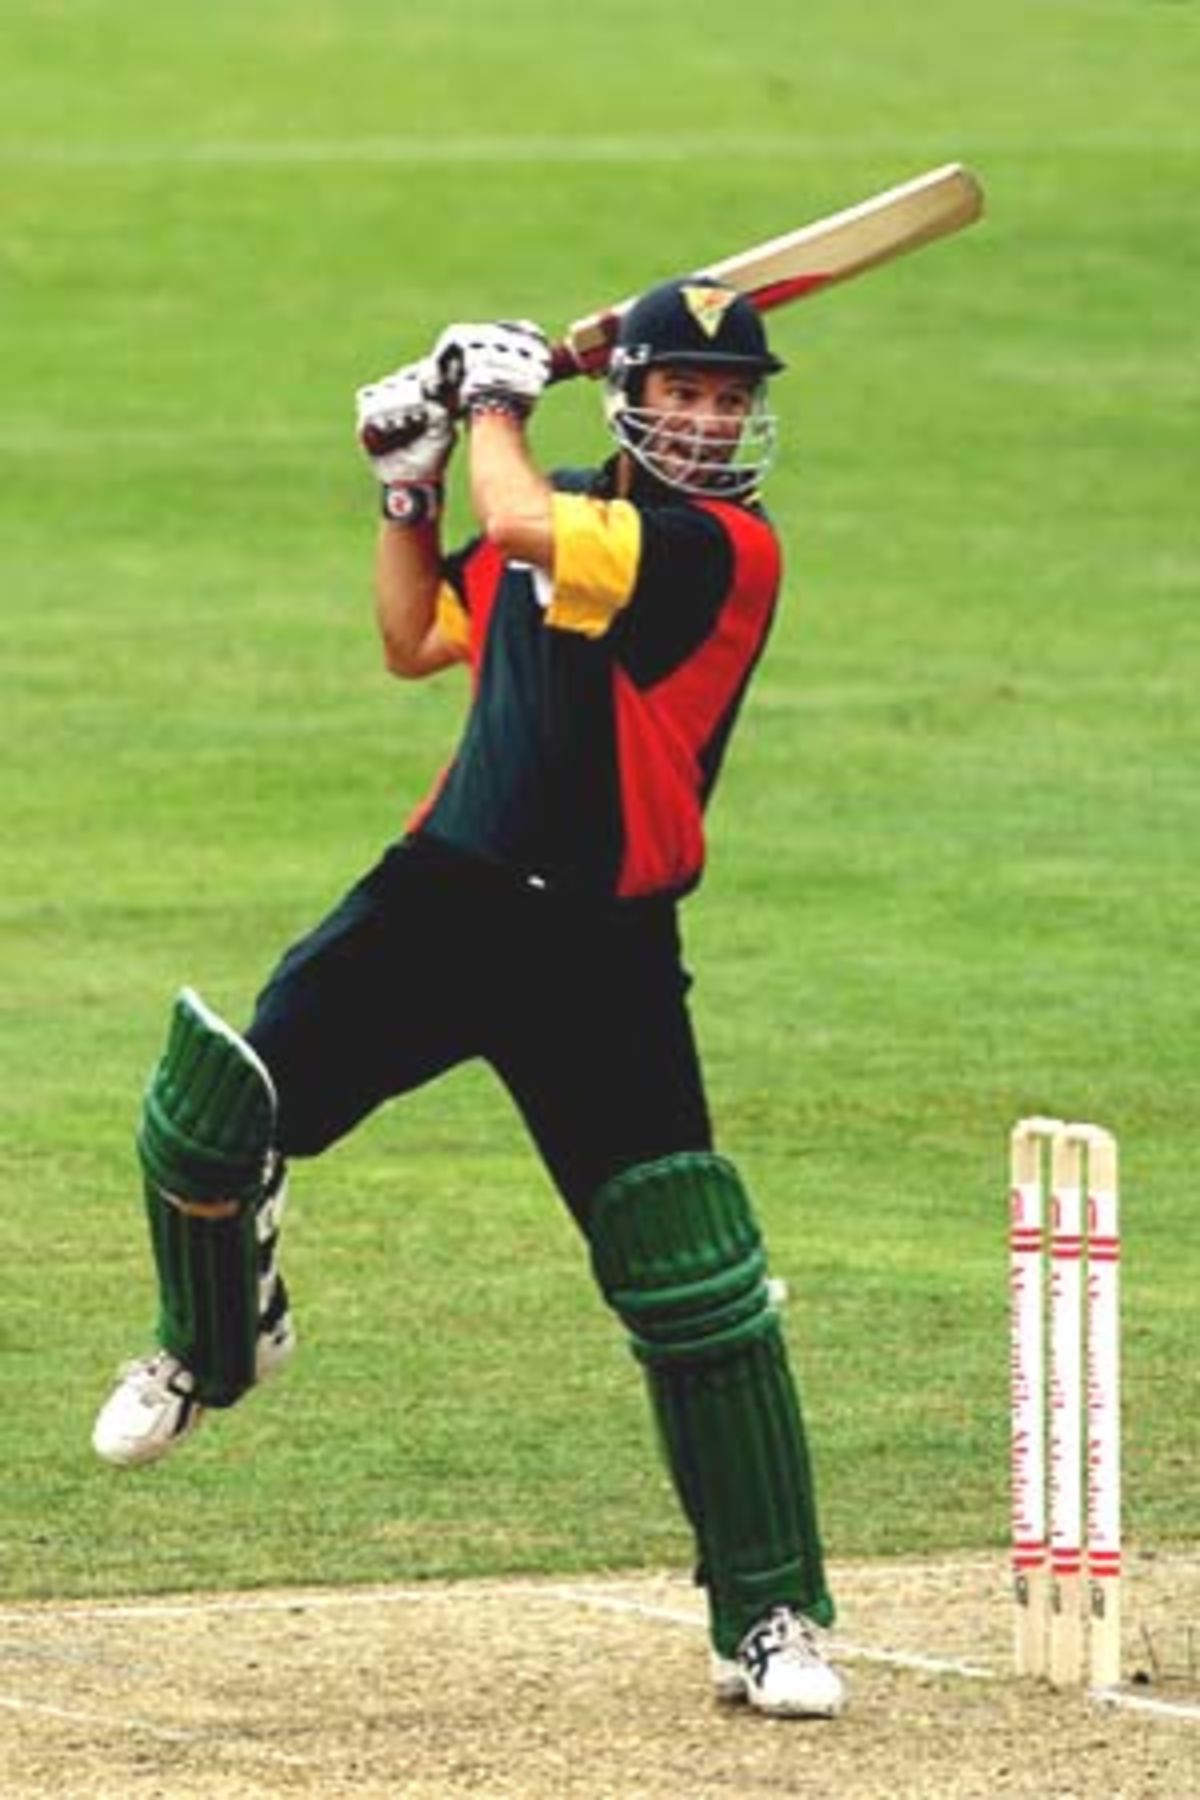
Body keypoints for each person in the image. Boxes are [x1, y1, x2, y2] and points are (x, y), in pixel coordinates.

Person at [92, 278, 846, 1719]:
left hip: (604, 956)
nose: (708, 419)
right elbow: (415, 636)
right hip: (445, 900)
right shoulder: (564, 499)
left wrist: (487, 400)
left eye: (730, 398)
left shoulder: (715, 550)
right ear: (630, 394)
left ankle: (771, 1620)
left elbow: (523, 531)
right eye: (684, 390)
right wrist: (404, 483)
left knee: (691, 1282)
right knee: (212, 1123)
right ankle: (213, 1343)